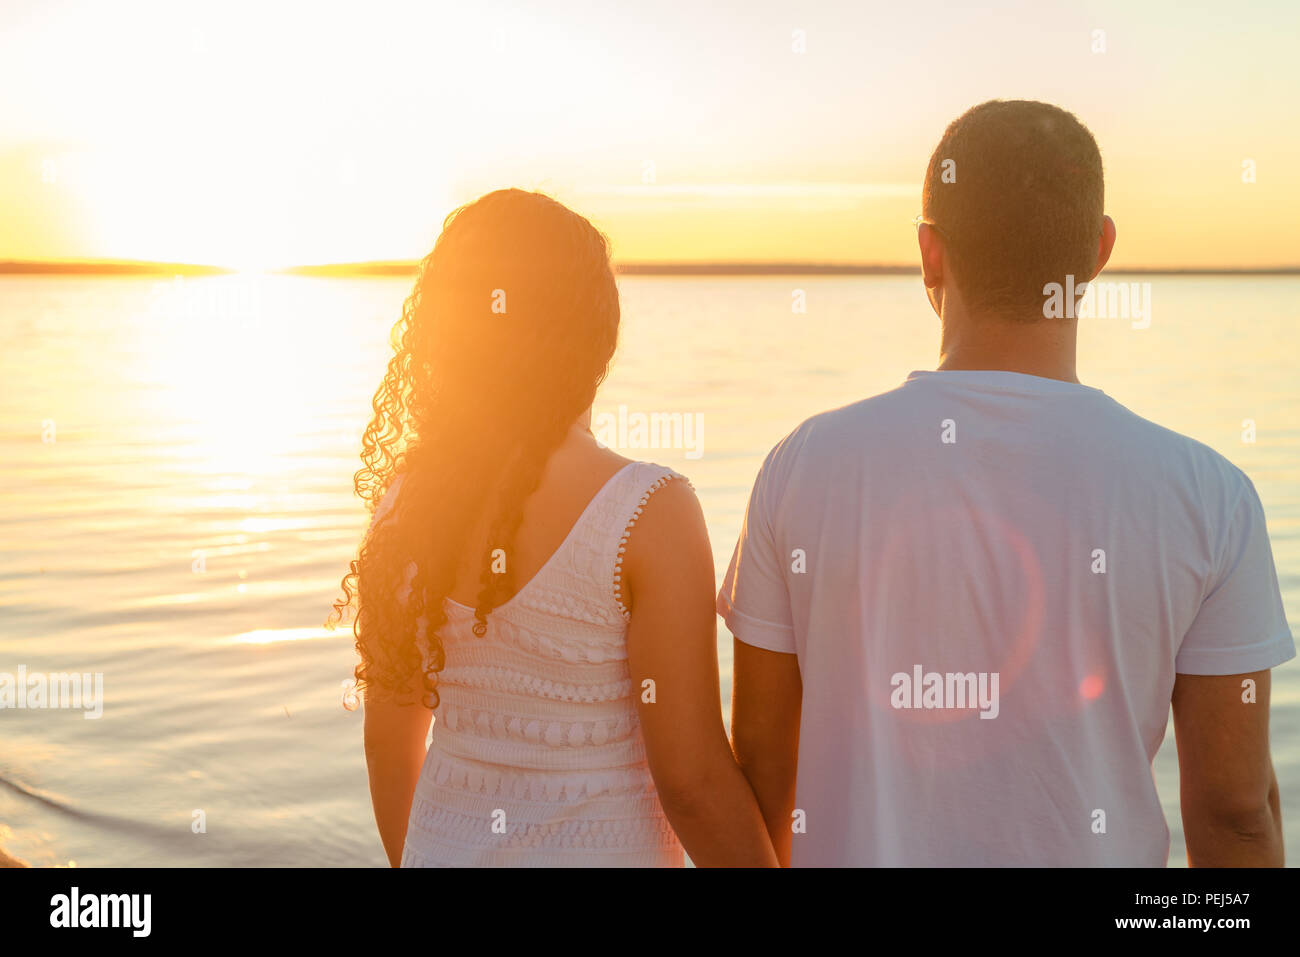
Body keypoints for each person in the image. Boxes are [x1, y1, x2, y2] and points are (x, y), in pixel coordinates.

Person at [720, 100, 1294, 867]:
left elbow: (762, 770)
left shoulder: (803, 466)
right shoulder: (1211, 498)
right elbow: (1234, 813)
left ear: (930, 252)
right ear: (1099, 250)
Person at [333, 189, 777, 867]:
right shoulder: (649, 512)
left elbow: (387, 742)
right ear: (598, 338)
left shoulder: (406, 503)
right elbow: (691, 783)